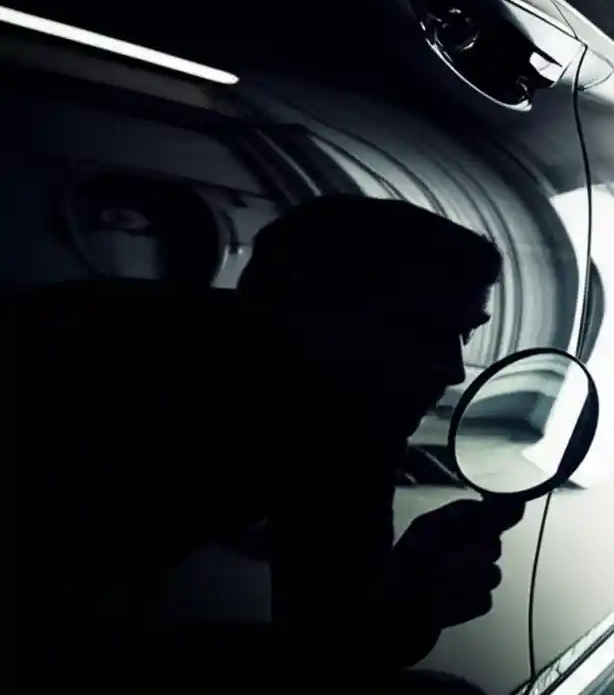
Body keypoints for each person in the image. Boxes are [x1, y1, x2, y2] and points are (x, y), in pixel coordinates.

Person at [10, 194, 522, 690]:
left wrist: (411, 597)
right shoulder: (86, 367)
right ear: (302, 312)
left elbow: (332, 640)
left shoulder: (352, 421)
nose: (452, 370)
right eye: (418, 327)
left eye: (464, 332)